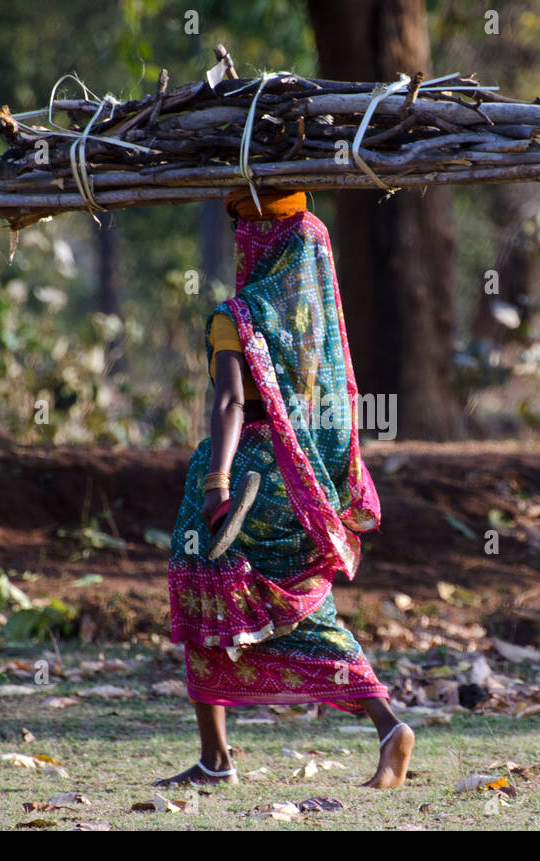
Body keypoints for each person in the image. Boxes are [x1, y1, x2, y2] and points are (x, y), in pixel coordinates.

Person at [155, 187, 414, 789]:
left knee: (204, 597)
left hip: (240, 476)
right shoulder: (317, 328)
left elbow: (227, 402)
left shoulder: (236, 316)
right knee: (300, 606)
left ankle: (217, 758)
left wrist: (217, 484)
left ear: (257, 243)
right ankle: (384, 724)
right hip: (302, 484)